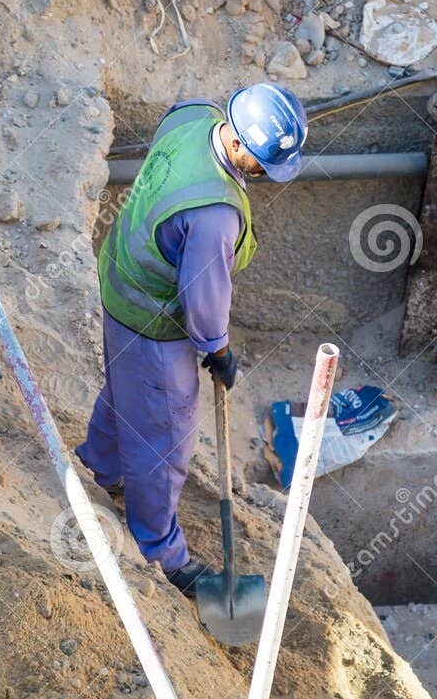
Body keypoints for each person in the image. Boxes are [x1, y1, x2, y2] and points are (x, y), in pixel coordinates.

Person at [79, 84, 308, 598]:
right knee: (165, 435)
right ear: (240, 147)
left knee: (125, 391)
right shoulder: (215, 216)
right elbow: (202, 300)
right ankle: (160, 550)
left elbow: (172, 118)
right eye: (262, 164)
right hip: (151, 320)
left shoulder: (194, 118)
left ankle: (101, 465)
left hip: (120, 279)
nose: (263, 176)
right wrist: (218, 351)